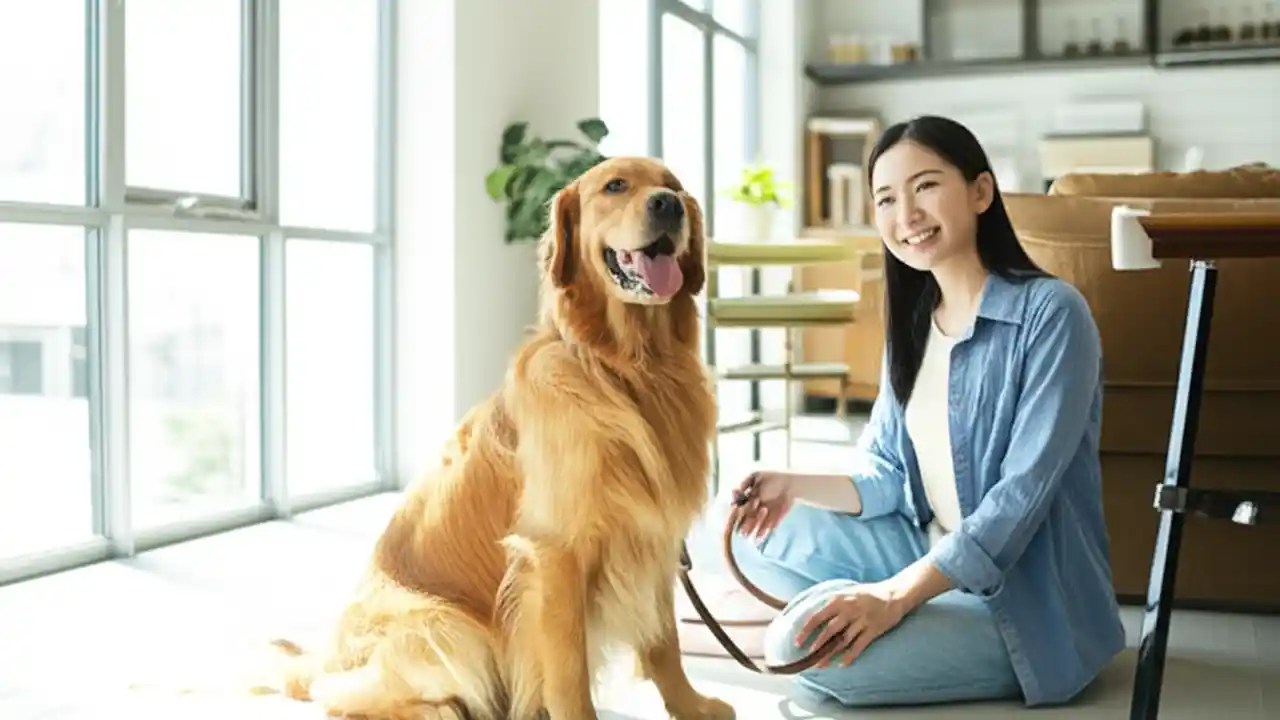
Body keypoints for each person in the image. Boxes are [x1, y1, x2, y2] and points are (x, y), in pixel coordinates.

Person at [725, 115, 1126, 709]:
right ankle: (862, 608)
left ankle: (868, 611)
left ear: (981, 192)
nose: (905, 214)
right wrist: (793, 484)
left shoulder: (1053, 315)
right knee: (744, 527)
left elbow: (1018, 500)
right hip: (926, 551)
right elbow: (887, 473)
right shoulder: (915, 323)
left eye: (925, 186)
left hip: (1020, 603)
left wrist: (893, 597)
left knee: (793, 647)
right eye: (886, 197)